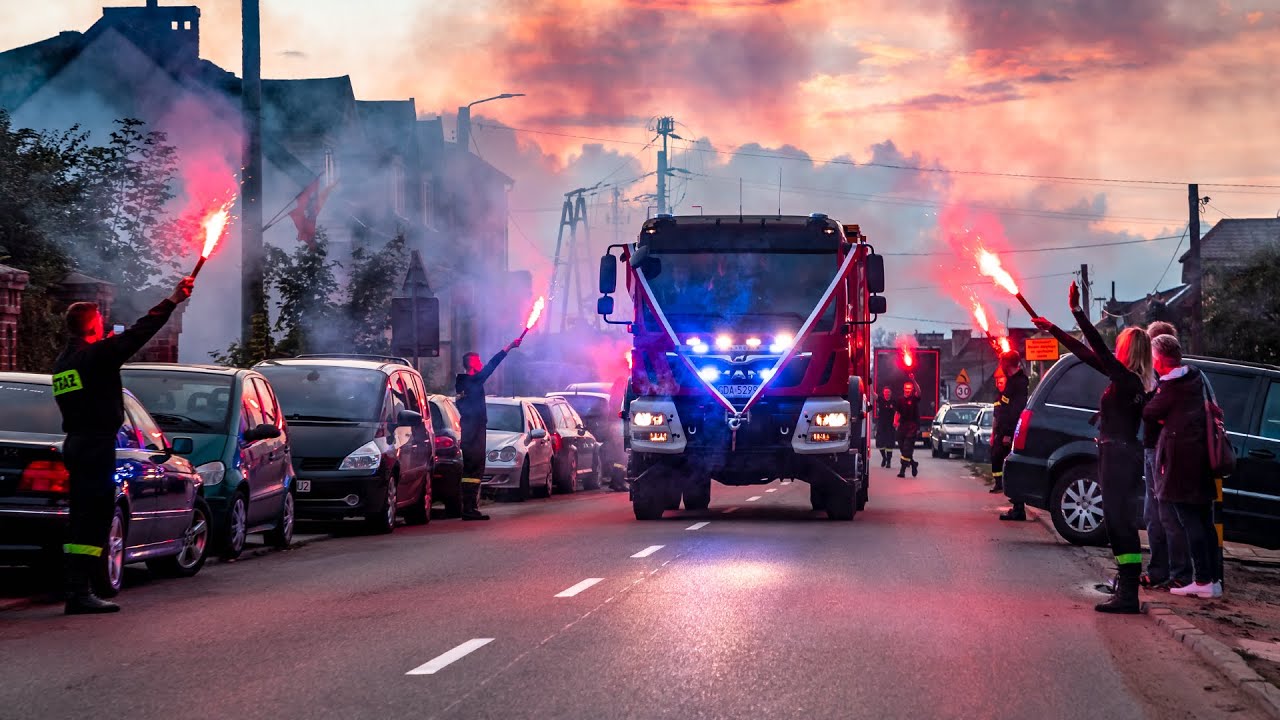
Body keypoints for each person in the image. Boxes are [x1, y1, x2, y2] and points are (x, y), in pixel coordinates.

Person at [54, 277, 195, 614]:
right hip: (95, 447)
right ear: (91, 325)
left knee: (82, 519)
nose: (105, 325)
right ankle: (80, 592)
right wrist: (172, 300)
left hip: (77, 444)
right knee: (95, 518)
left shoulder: (64, 362)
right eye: (100, 320)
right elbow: (138, 333)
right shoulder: (96, 357)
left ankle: (79, 587)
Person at [1033, 281, 1155, 614]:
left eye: (1121, 345)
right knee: (1117, 522)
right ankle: (1125, 586)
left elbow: (1096, 349)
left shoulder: (1129, 381)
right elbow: (1087, 354)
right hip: (1117, 455)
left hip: (1120, 456)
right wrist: (1054, 328)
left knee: (1120, 523)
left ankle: (1128, 593)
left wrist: (1076, 312)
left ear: (1129, 351)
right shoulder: (1129, 380)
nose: (1115, 348)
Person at [1143, 334, 1220, 599]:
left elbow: (1149, 411)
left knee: (1189, 521)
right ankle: (1212, 578)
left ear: (1162, 360)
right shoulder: (1195, 377)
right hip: (1201, 461)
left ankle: (1202, 581)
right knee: (1203, 521)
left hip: (1181, 464)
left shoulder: (1172, 386)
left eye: (1153, 358)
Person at [1141, 321, 1191, 589]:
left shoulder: (1175, 379)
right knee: (1154, 514)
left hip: (1166, 451)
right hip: (1153, 449)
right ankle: (1160, 568)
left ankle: (1179, 571)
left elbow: (1152, 411)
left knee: (1168, 514)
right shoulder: (1155, 376)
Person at [454, 338, 522, 520]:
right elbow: (492, 365)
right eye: (478, 361)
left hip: (473, 431)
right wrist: (508, 347)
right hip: (473, 432)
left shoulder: (466, 383)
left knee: (473, 471)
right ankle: (469, 509)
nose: (481, 363)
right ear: (471, 365)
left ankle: (469, 507)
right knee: (473, 470)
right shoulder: (472, 381)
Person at [993, 351, 1030, 522]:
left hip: (1010, 432)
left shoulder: (1019, 383)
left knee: (1014, 469)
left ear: (1007, 363)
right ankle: (1016, 506)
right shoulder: (1013, 382)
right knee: (1008, 467)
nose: (1000, 364)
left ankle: (1019, 509)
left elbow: (1015, 411)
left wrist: (1008, 433)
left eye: (1002, 362)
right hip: (1004, 430)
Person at [894, 382, 921, 478]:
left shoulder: (914, 399)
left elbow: (919, 391)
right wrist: (895, 422)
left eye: (910, 388)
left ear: (912, 389)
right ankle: (913, 464)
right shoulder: (900, 400)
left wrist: (914, 380)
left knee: (907, 448)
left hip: (912, 427)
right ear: (903, 389)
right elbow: (897, 412)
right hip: (902, 426)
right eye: (906, 388)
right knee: (902, 448)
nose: (908, 390)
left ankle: (902, 471)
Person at [874, 387, 897, 468]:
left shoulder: (894, 402)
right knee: (880, 443)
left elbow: (897, 412)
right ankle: (884, 458)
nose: (887, 394)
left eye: (888, 392)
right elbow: (873, 395)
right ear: (883, 393)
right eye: (885, 392)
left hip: (890, 426)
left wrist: (896, 422)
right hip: (881, 425)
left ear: (891, 393)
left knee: (889, 444)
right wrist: (870, 384)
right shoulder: (880, 400)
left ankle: (889, 462)